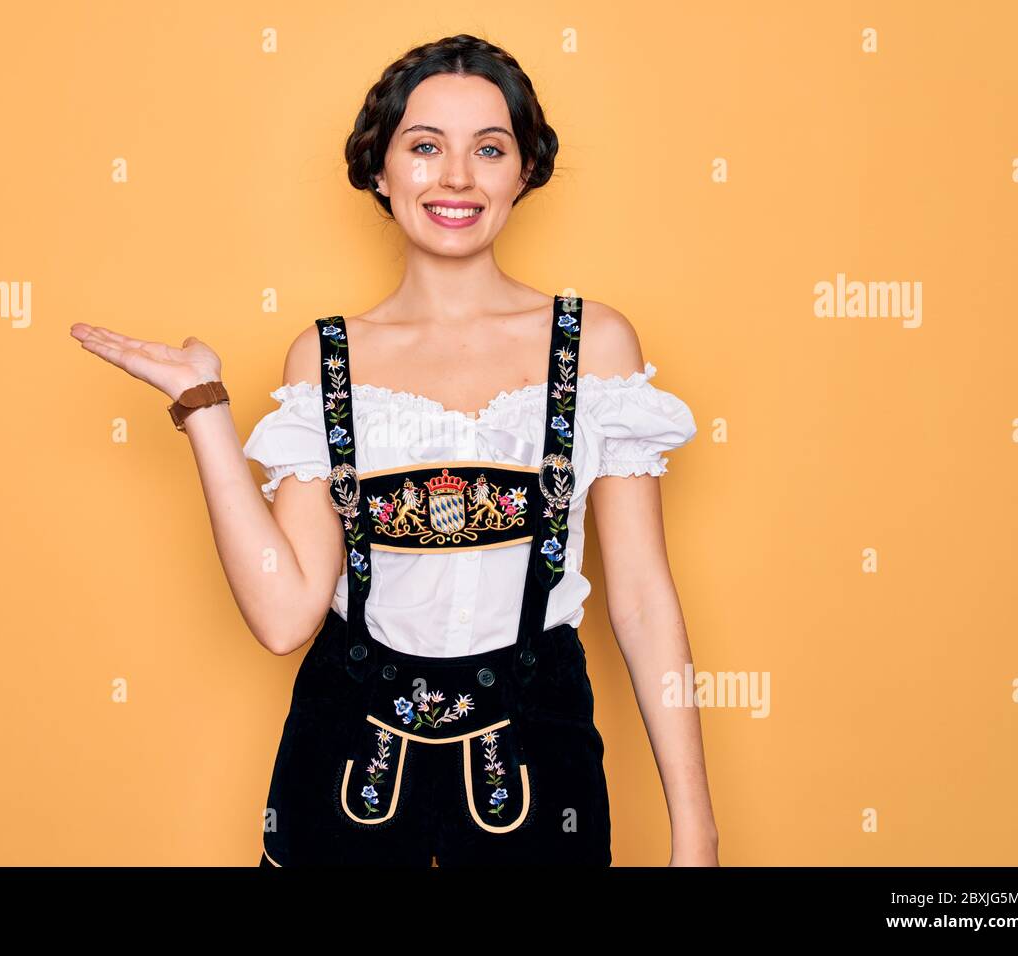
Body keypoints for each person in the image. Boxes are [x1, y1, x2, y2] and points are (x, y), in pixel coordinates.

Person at [70, 33, 718, 867]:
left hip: (538, 769)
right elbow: (283, 614)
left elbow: (641, 599)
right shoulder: (325, 356)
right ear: (380, 170)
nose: (457, 176)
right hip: (343, 773)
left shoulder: (594, 344)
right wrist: (202, 407)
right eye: (424, 147)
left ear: (524, 172)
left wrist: (696, 834)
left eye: (490, 148)